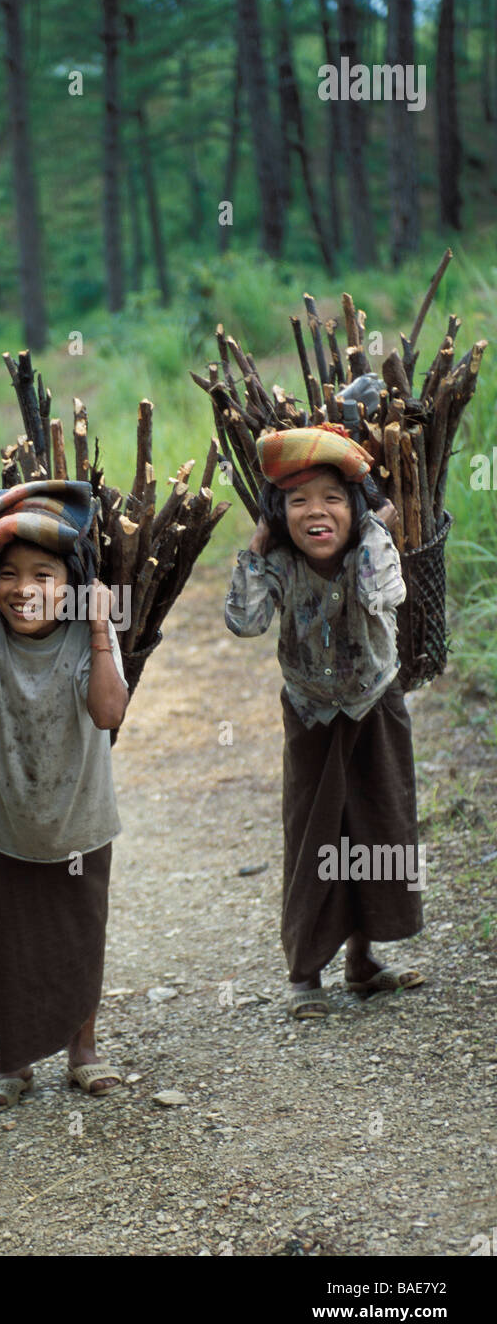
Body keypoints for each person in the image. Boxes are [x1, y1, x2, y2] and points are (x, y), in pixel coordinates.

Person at [0, 480, 130, 1111]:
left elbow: (108, 711)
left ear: (72, 584)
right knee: (12, 943)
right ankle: (12, 1063)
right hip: (10, 828)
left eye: (43, 574)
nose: (24, 589)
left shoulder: (86, 636)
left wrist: (100, 627)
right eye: (9, 576)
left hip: (81, 823)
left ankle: (83, 1049)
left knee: (80, 939)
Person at [224, 423, 425, 1019]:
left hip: (375, 704)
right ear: (278, 513)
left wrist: (372, 531)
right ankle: (306, 973)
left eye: (333, 499)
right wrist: (259, 547)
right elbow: (244, 622)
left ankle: (362, 962)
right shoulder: (281, 564)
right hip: (311, 715)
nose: (317, 513)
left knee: (376, 823)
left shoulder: (372, 549)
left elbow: (382, 594)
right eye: (298, 501)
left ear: (355, 509)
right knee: (314, 834)